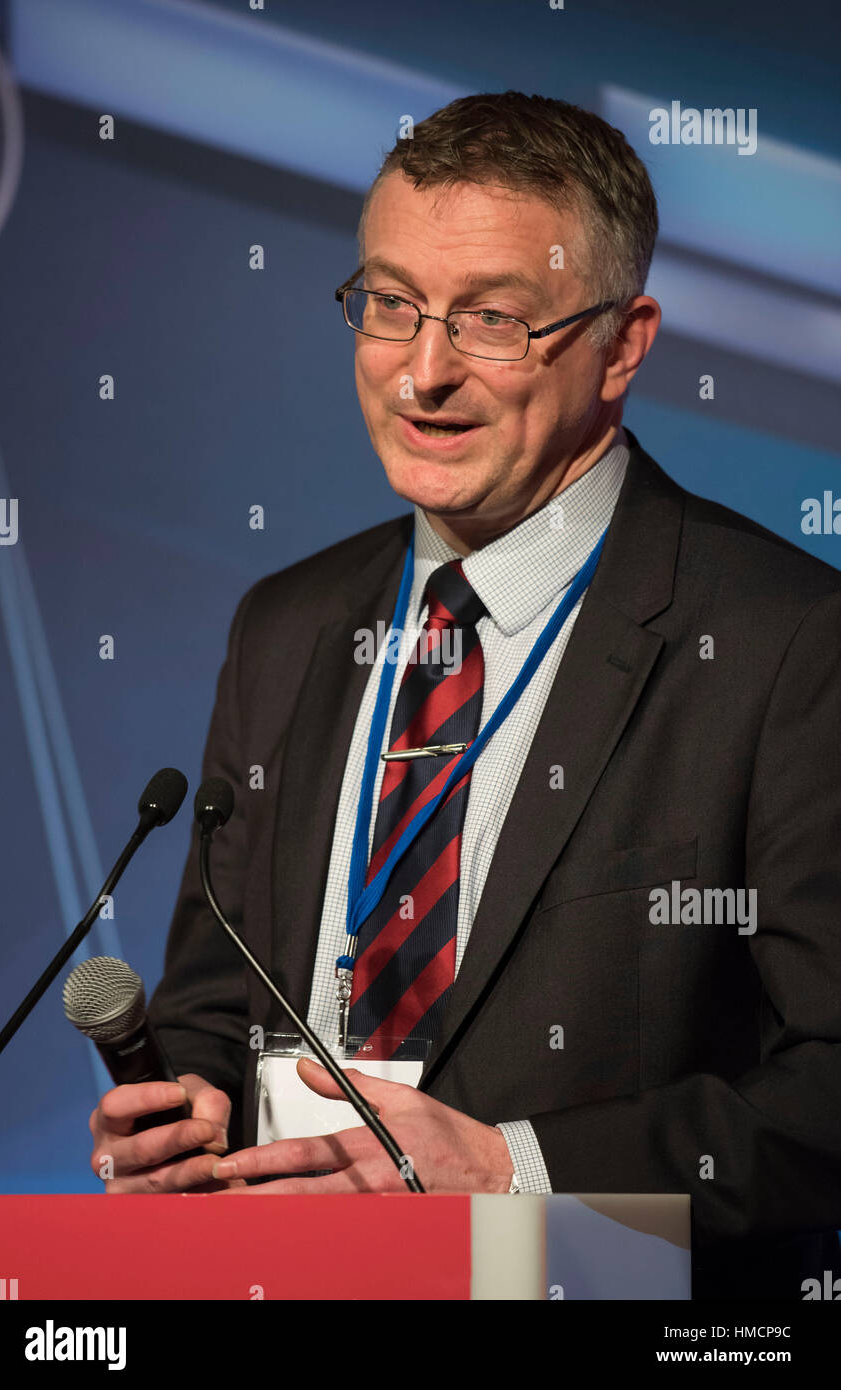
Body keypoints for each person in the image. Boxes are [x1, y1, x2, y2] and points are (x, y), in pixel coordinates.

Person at [88, 92, 841, 1299]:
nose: (421, 372)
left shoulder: (787, 640)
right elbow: (217, 1001)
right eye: (389, 304)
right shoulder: (286, 623)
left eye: (494, 319)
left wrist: (508, 1174)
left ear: (623, 342)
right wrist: (189, 1104)